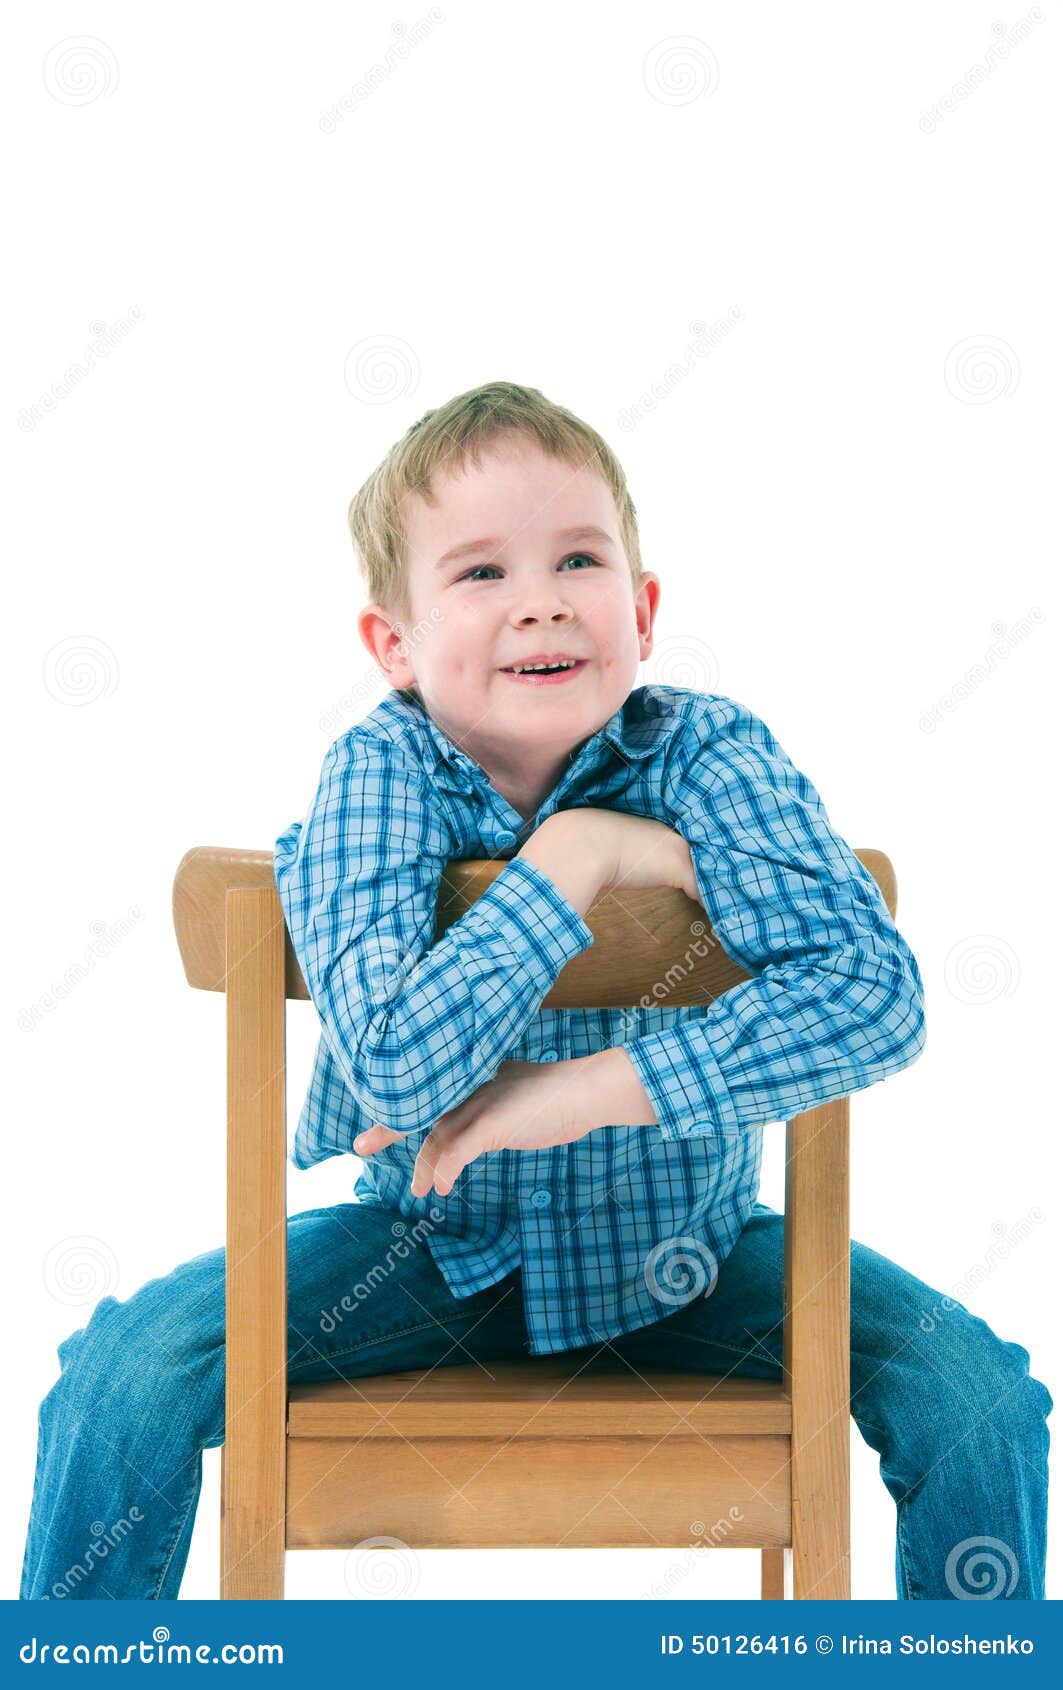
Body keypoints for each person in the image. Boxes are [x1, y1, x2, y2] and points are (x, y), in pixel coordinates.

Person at [21, 381, 1051, 1601]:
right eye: (479, 575)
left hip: (696, 1257)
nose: (540, 600)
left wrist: (575, 1091)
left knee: (982, 1405)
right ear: (393, 646)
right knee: (122, 1375)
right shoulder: (380, 769)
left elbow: (876, 996)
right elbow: (401, 1063)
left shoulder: (709, 755)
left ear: (643, 607)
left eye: (578, 558)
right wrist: (575, 861)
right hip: (421, 1251)